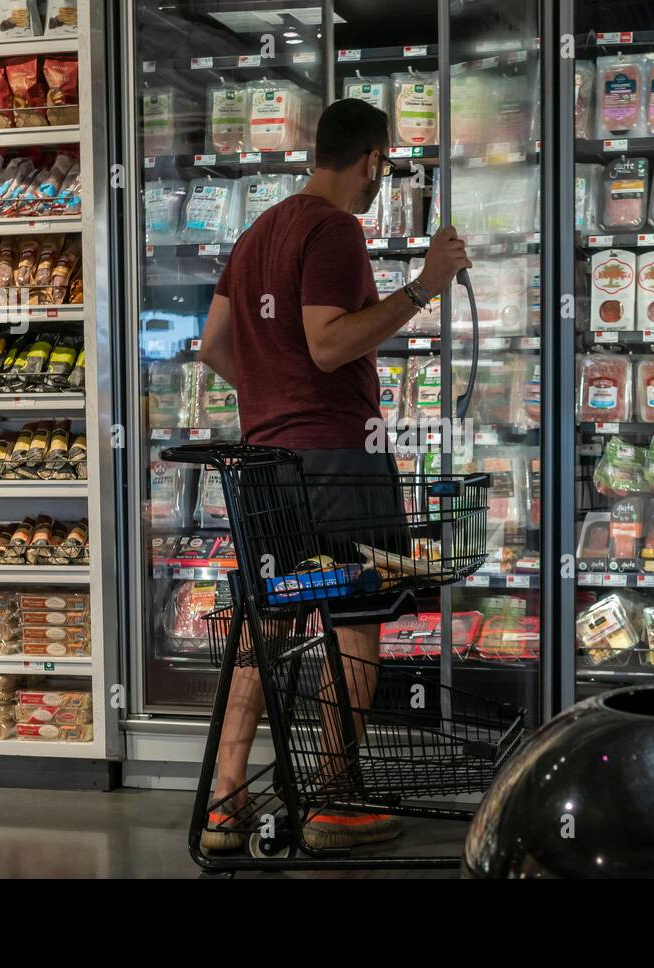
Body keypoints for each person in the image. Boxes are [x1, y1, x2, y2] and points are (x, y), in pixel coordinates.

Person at [196, 97, 471, 851]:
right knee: (354, 626)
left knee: (267, 619)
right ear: (372, 161)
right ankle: (332, 799)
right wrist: (422, 288)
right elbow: (327, 343)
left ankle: (224, 803)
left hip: (266, 467)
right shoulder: (335, 228)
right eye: (383, 165)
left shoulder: (257, 232)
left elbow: (215, 347)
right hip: (340, 462)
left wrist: (271, 400)